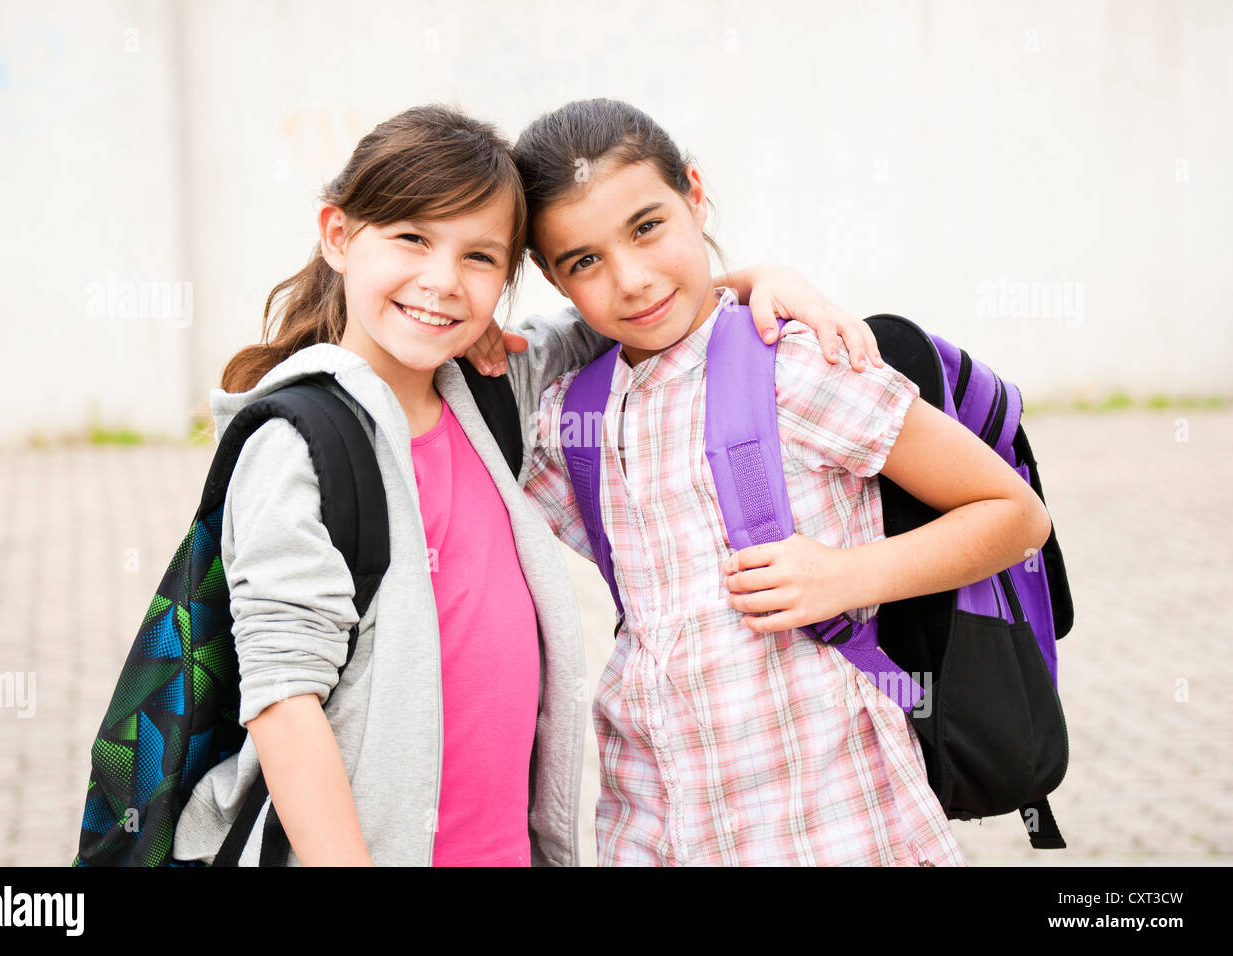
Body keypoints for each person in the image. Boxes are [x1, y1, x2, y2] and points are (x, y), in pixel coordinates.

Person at [169, 103, 871, 867]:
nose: (441, 281)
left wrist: (761, 277)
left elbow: (640, 306)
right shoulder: (298, 444)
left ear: (511, 277)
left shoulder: (502, 391)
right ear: (339, 236)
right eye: (411, 238)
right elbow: (283, 701)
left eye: (479, 257)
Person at [515, 98, 1053, 866]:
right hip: (656, 814)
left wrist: (847, 576)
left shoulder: (795, 364)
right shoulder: (572, 417)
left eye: (647, 226)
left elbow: (1012, 512)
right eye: (584, 261)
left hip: (834, 813)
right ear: (550, 275)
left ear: (695, 195)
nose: (631, 280)